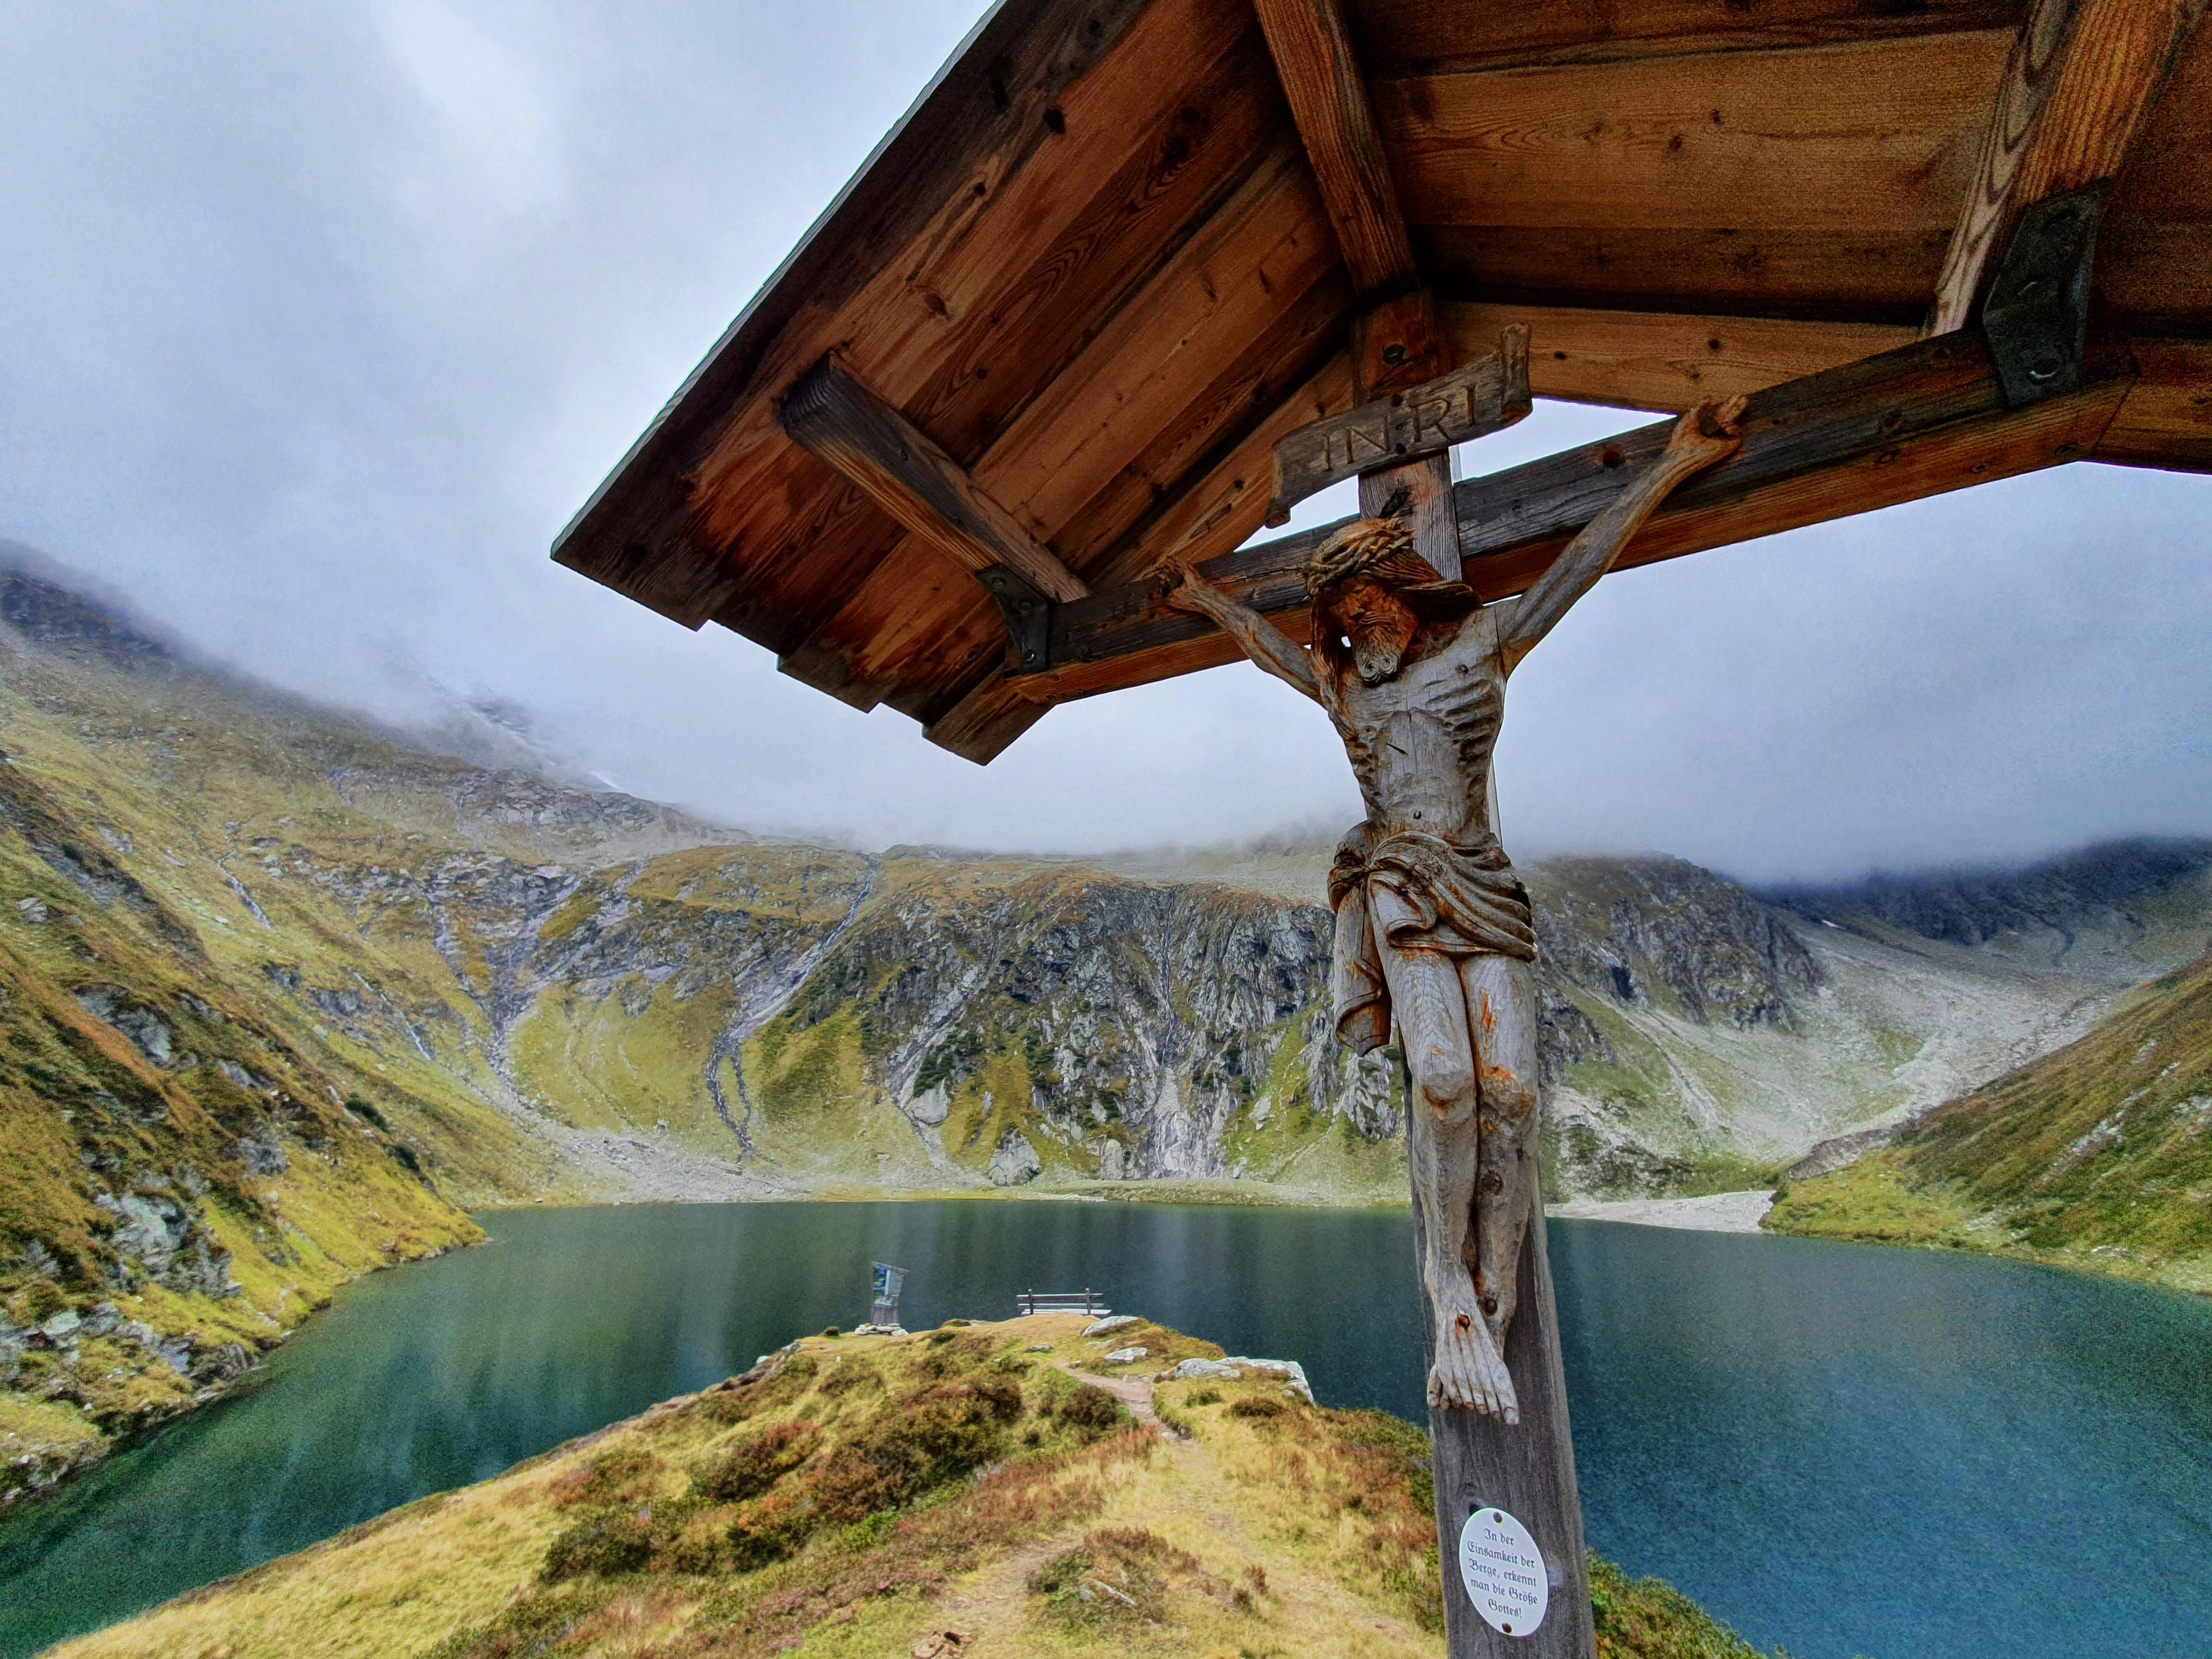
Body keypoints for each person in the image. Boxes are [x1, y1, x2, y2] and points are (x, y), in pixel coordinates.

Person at [1166, 397, 1746, 1420]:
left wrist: (1670, 466)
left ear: (1402, 587)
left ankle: (1496, 1283)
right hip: (1397, 882)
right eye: (1343, 619)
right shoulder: (1347, 688)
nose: (1356, 629)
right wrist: (1208, 599)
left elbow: (1577, 569)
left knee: (1511, 1092)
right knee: (1441, 1079)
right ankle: (1447, 1286)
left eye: (1365, 606)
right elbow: (1268, 651)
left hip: (1484, 881)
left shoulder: (1483, 643)